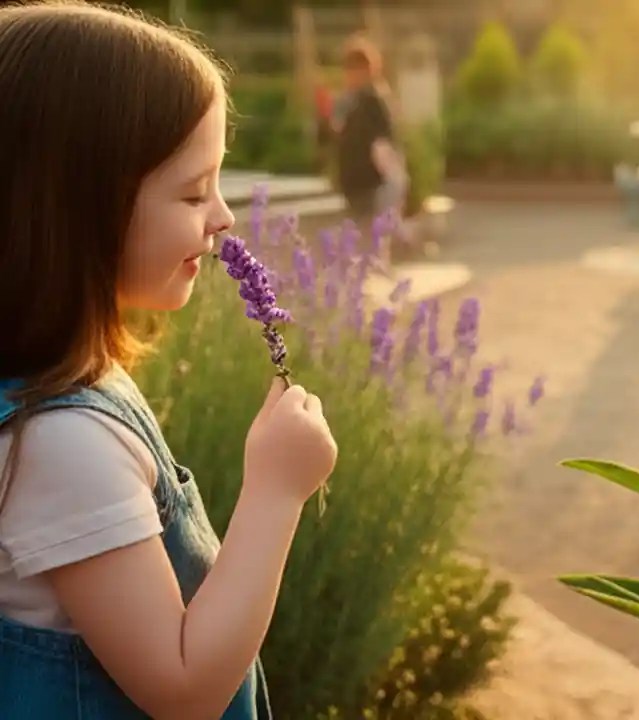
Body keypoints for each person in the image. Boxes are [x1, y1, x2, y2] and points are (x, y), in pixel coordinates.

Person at [0, 3, 338, 718]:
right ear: (78, 208)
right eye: (193, 191)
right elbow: (184, 689)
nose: (224, 217)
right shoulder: (58, 444)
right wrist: (276, 492)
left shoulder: (69, 387)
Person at [333, 34, 407, 262]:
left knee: (369, 241)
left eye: (354, 69)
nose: (350, 75)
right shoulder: (351, 99)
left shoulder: (373, 100)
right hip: (356, 182)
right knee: (363, 241)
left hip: (372, 181)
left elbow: (383, 141)